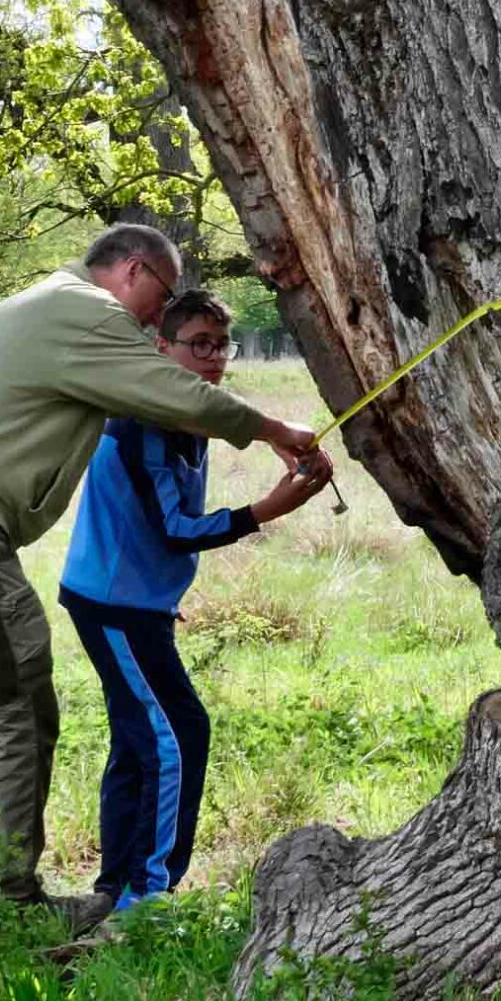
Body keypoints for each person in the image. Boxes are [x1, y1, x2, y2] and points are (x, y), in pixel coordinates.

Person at [0, 225, 329, 939]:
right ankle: (9, 909)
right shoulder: (89, 310)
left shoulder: (36, 304)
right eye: (161, 296)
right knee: (20, 710)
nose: (157, 315)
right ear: (133, 271)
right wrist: (273, 430)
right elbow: (175, 395)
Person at [61, 290, 330, 915]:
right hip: (114, 603)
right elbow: (175, 529)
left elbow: (172, 506)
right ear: (161, 348)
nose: (211, 359)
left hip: (136, 604)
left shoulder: (191, 420)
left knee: (137, 739)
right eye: (197, 345)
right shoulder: (142, 424)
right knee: (176, 734)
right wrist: (266, 510)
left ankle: (115, 886)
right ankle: (145, 897)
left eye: (220, 346)